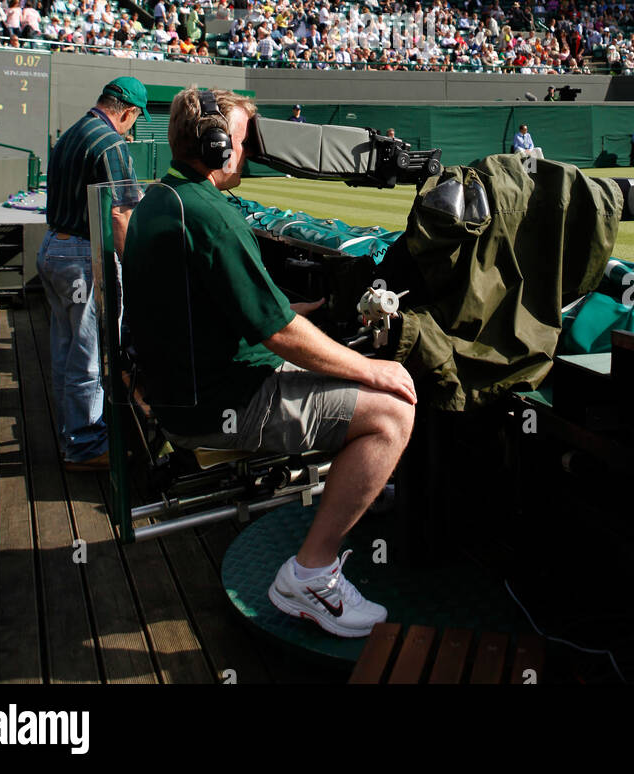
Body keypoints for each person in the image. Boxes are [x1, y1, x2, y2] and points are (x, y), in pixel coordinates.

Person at [122, 87, 416, 638]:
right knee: (391, 410)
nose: (249, 151)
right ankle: (310, 575)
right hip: (220, 401)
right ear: (215, 145)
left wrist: (296, 315)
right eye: (241, 139)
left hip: (184, 387)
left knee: (342, 354)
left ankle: (362, 492)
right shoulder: (210, 214)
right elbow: (280, 334)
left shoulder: (165, 198)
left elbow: (245, 312)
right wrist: (372, 370)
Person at [37, 77, 148, 470]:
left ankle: (74, 435)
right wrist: (134, 267)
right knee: (87, 356)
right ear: (127, 111)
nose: (132, 127)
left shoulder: (71, 133)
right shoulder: (111, 141)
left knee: (66, 352)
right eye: (134, 119)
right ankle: (85, 447)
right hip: (81, 257)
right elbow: (121, 214)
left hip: (52, 247)